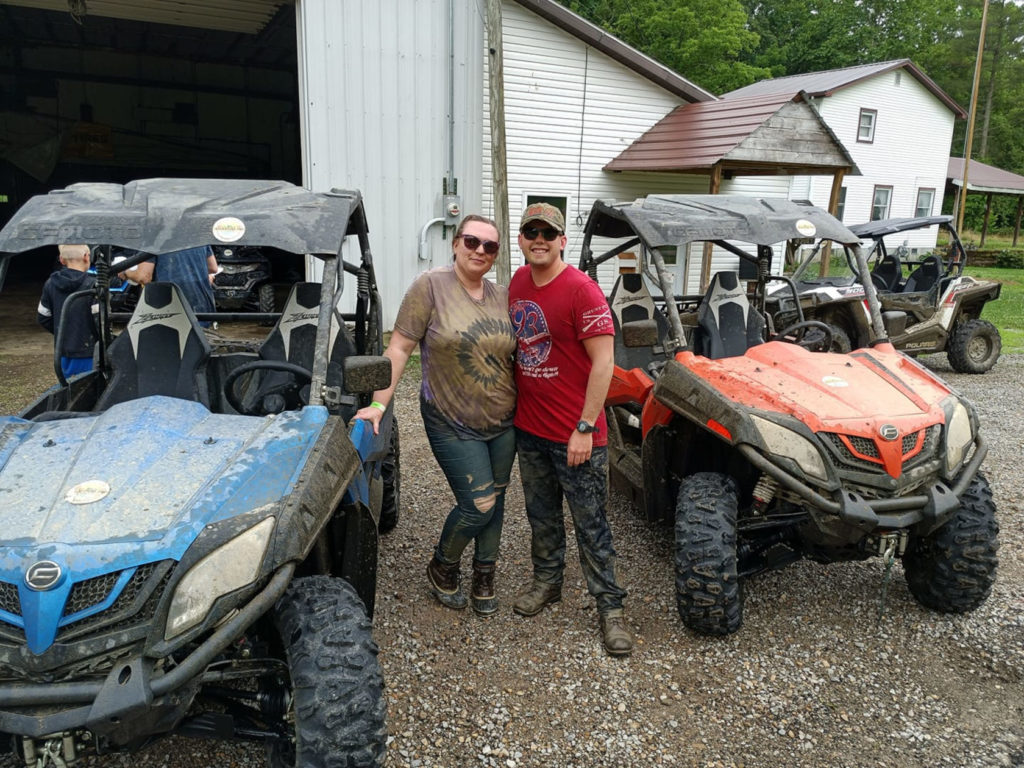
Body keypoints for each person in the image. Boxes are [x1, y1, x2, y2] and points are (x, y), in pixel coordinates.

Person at [353, 214, 517, 615]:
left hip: (504, 419)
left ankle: (484, 573)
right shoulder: (429, 287)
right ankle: (442, 566)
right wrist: (378, 403)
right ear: (456, 243)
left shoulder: (502, 295)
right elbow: (399, 350)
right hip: (450, 417)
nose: (480, 250)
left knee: (497, 498)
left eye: (489, 246)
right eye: (472, 241)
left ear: (495, 255)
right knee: (477, 504)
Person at [507, 202, 633, 656]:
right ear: (521, 238)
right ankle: (548, 582)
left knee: (592, 523)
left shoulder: (583, 291)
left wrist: (583, 427)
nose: (538, 239)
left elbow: (604, 363)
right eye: (530, 231)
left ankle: (610, 609)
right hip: (530, 431)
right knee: (541, 516)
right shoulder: (518, 283)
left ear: (562, 240)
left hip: (577, 436)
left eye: (548, 232)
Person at [37, 243, 97, 379]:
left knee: (67, 391)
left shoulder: (50, 283)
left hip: (62, 353)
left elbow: (43, 317)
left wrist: (62, 331)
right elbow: (101, 320)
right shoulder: (94, 285)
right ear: (87, 257)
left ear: (61, 260)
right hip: (90, 352)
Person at [128, 246, 219, 326]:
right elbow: (213, 268)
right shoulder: (199, 235)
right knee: (199, 342)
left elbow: (144, 277)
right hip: (201, 307)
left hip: (168, 309)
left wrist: (126, 272)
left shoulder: (154, 235)